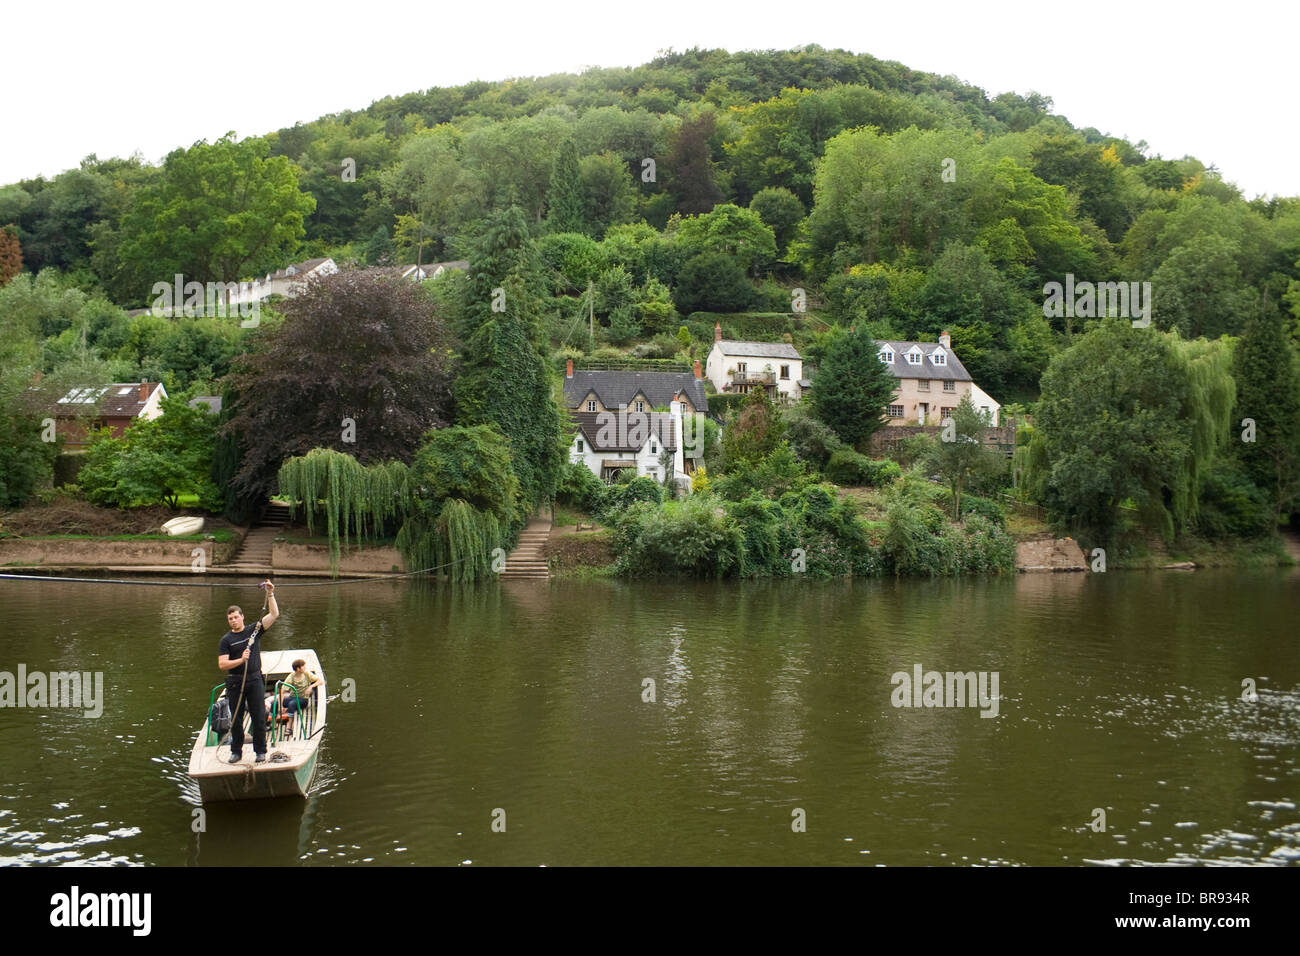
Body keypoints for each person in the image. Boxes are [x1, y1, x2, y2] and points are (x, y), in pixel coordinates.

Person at [217, 581, 279, 764]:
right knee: (235, 719)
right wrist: (240, 660)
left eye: (236, 617)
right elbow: (222, 664)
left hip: (254, 680)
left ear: (242, 617)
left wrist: (270, 594)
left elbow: (274, 614)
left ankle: (260, 751)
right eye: (230, 619)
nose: (233, 620)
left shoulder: (254, 630)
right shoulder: (226, 640)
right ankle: (236, 751)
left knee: (258, 716)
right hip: (235, 681)